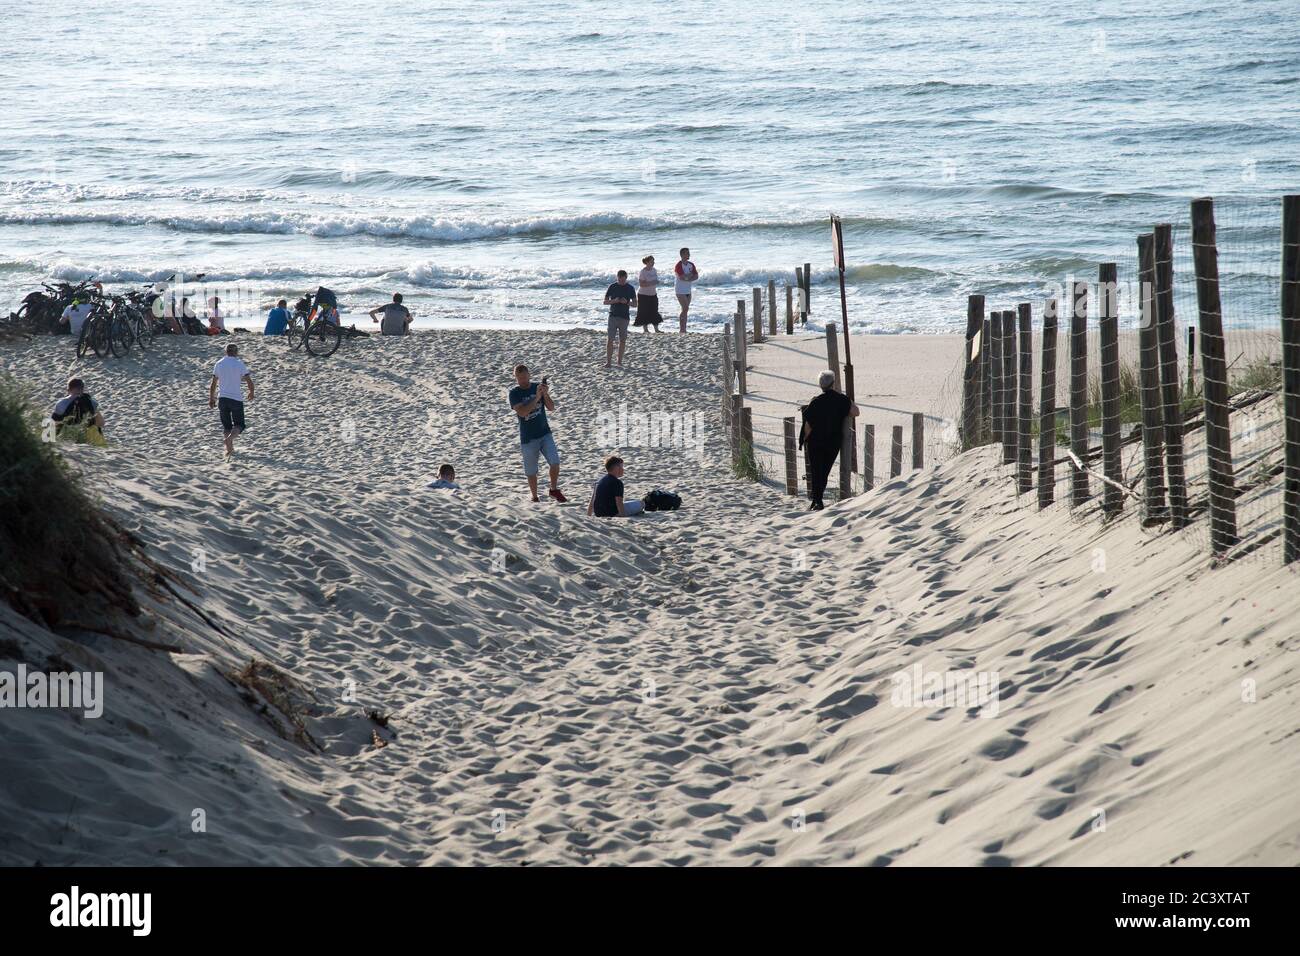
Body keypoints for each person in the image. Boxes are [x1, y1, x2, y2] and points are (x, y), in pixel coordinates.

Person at [800, 370, 860, 510]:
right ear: (833, 384)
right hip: (833, 442)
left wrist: (805, 439)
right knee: (824, 471)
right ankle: (817, 500)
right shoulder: (841, 400)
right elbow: (856, 412)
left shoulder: (816, 401)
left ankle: (817, 500)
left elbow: (808, 425)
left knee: (816, 470)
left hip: (815, 442)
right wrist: (848, 400)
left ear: (821, 385)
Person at [508, 364, 566, 502]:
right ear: (515, 378)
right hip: (528, 438)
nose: (522, 380)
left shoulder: (537, 387)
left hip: (545, 433)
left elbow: (551, 407)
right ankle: (534, 496)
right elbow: (522, 412)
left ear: (529, 374)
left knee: (555, 462)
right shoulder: (514, 393)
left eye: (524, 376)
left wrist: (544, 394)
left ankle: (553, 489)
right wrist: (536, 398)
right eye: (519, 377)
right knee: (531, 471)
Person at [208, 343, 255, 459]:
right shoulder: (239, 364)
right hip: (236, 398)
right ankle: (229, 440)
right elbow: (249, 381)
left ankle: (229, 449)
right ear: (236, 352)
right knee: (239, 424)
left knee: (227, 426)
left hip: (222, 398)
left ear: (226, 352)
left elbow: (213, 383)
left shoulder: (219, 364)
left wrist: (211, 398)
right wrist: (251, 392)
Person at [50, 378, 106, 444]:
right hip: (89, 436)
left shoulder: (61, 404)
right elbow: (101, 423)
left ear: (68, 390)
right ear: (82, 389)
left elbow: (54, 424)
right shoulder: (91, 402)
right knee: (94, 428)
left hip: (68, 437)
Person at [603, 270, 636, 368]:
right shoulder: (612, 286)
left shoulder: (630, 288)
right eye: (620, 280)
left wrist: (626, 302)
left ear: (626, 278)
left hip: (624, 317)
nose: (621, 281)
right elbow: (605, 302)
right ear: (617, 278)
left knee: (622, 340)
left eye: (623, 280)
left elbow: (635, 304)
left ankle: (619, 362)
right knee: (610, 339)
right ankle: (608, 362)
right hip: (613, 315)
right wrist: (614, 301)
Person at [673, 247, 698, 333]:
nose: (689, 255)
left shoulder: (691, 264)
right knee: (685, 308)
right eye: (687, 253)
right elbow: (681, 277)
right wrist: (689, 276)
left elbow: (696, 276)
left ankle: (684, 328)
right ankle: (682, 329)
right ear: (682, 255)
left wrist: (689, 277)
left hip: (688, 290)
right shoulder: (678, 265)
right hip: (680, 290)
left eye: (689, 253)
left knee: (685, 309)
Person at [634, 255, 661, 334]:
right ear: (646, 262)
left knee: (654, 311)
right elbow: (641, 284)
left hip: (653, 294)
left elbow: (655, 280)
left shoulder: (654, 270)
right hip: (643, 294)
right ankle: (645, 330)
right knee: (644, 311)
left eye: (653, 261)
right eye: (651, 261)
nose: (653, 263)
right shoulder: (643, 271)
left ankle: (656, 329)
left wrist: (656, 282)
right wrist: (652, 283)